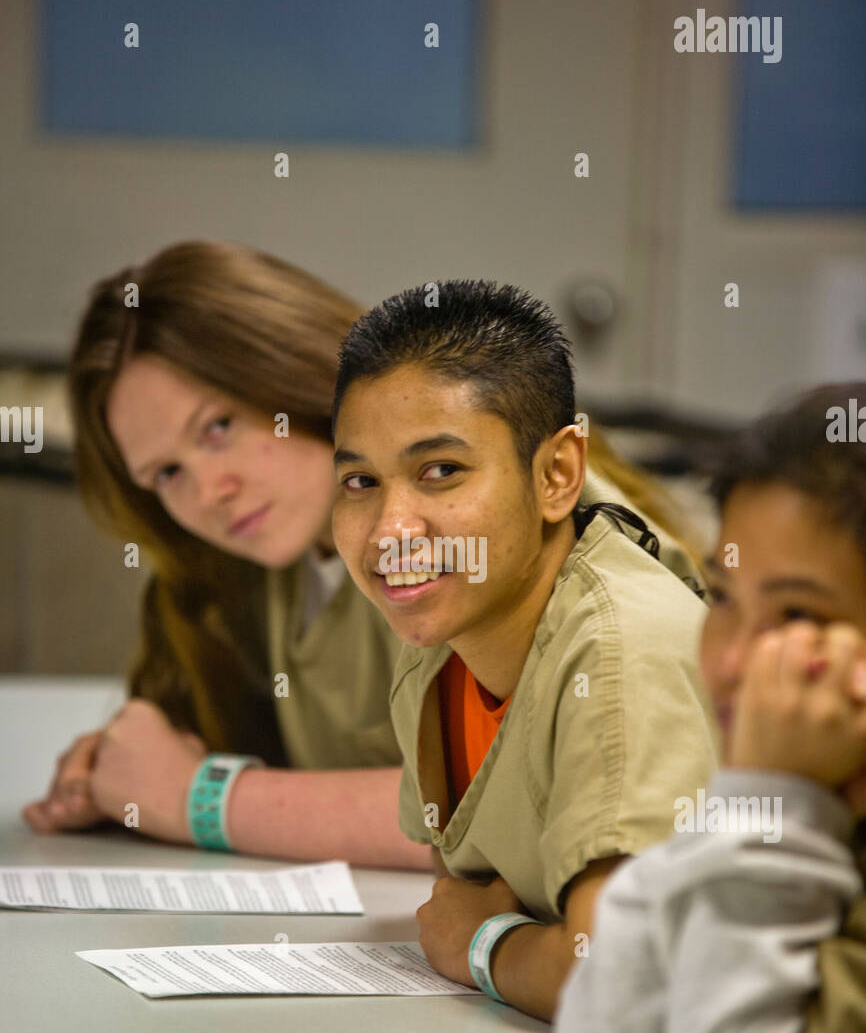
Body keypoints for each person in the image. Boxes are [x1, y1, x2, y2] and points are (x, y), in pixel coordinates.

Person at [22, 242, 684, 868]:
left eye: (219, 427)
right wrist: (119, 772)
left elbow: (525, 799)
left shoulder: (523, 504)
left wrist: (201, 798)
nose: (208, 492)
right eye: (166, 473)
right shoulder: (259, 562)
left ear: (293, 369)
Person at [330, 278, 719, 1020]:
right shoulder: (441, 641)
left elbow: (623, 982)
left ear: (557, 475)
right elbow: (466, 889)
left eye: (440, 471)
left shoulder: (619, 652)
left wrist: (482, 947)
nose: (389, 531)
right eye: (360, 481)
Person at [554, 382, 866, 1033]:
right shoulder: (818, 797)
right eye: (724, 599)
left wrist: (772, 800)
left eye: (797, 612)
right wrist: (749, 800)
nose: (733, 661)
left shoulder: (797, 799)